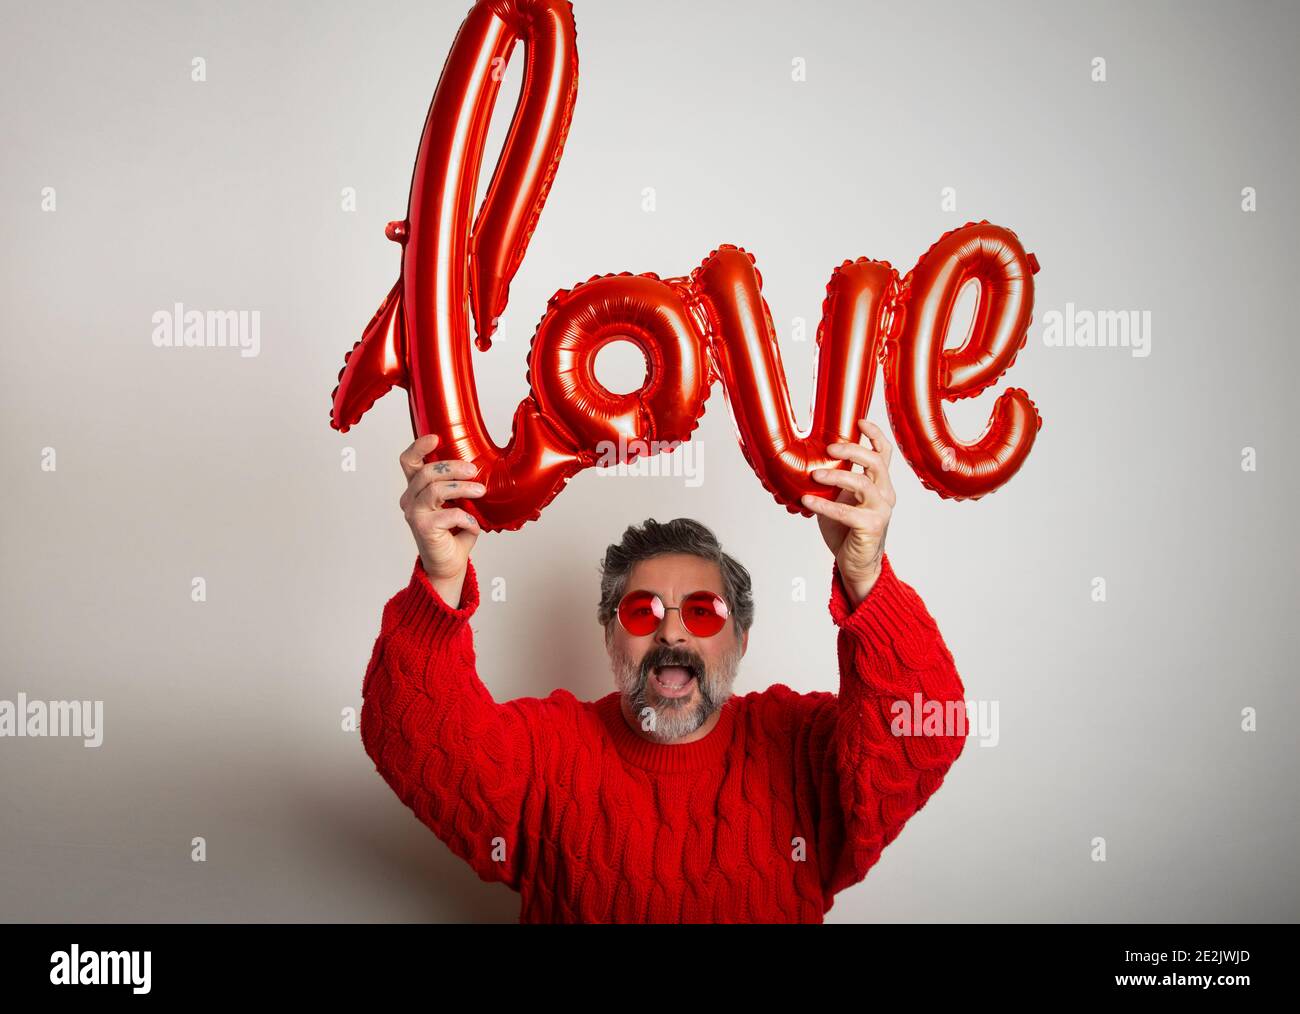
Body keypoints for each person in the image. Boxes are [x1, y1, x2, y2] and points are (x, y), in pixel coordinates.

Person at [359, 418, 968, 923]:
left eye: (703, 612)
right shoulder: (548, 753)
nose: (672, 631)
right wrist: (440, 581)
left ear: (742, 637)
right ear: (608, 631)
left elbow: (924, 734)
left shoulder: (802, 748)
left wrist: (866, 577)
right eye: (642, 609)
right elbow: (414, 743)